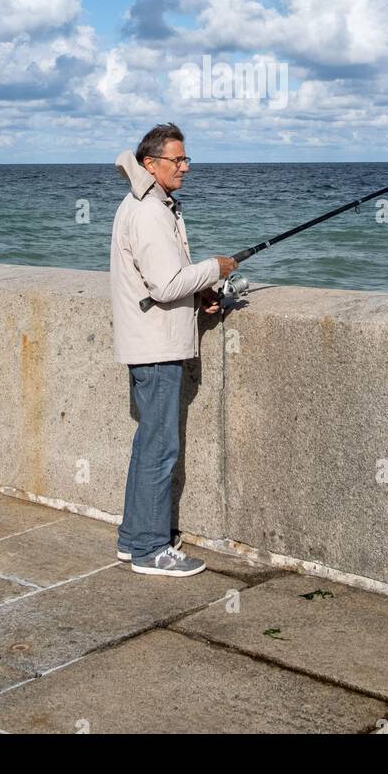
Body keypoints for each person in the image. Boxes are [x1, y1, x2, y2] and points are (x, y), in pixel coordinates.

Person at [110, 122, 237, 575]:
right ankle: (150, 550)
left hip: (148, 342)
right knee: (160, 448)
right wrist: (214, 269)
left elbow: (161, 278)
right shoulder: (149, 213)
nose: (185, 167)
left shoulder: (146, 205)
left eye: (186, 160)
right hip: (157, 347)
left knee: (148, 444)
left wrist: (199, 292)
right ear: (151, 164)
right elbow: (164, 286)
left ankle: (132, 539)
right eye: (177, 160)